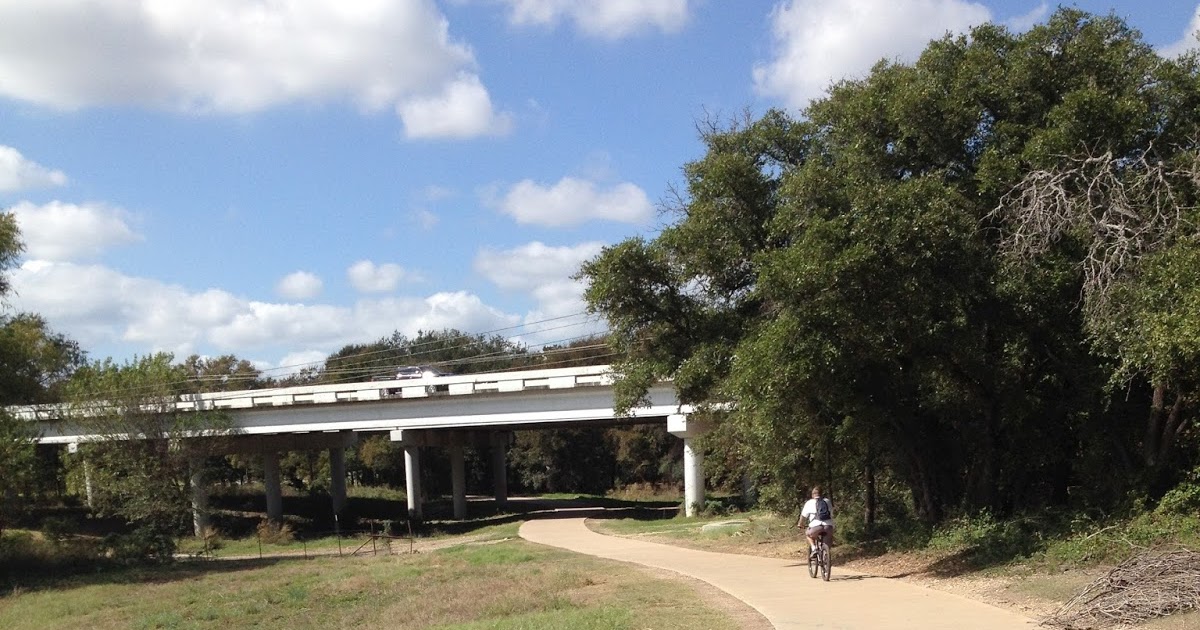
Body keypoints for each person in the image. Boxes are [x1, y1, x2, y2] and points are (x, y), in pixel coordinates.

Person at [796, 485, 833, 557]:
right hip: (828, 526)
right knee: (828, 539)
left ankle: (814, 549)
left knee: (808, 535)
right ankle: (826, 555)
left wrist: (800, 524)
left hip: (815, 527)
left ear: (813, 494)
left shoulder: (809, 502)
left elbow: (803, 516)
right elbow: (831, 514)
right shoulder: (827, 501)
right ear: (822, 494)